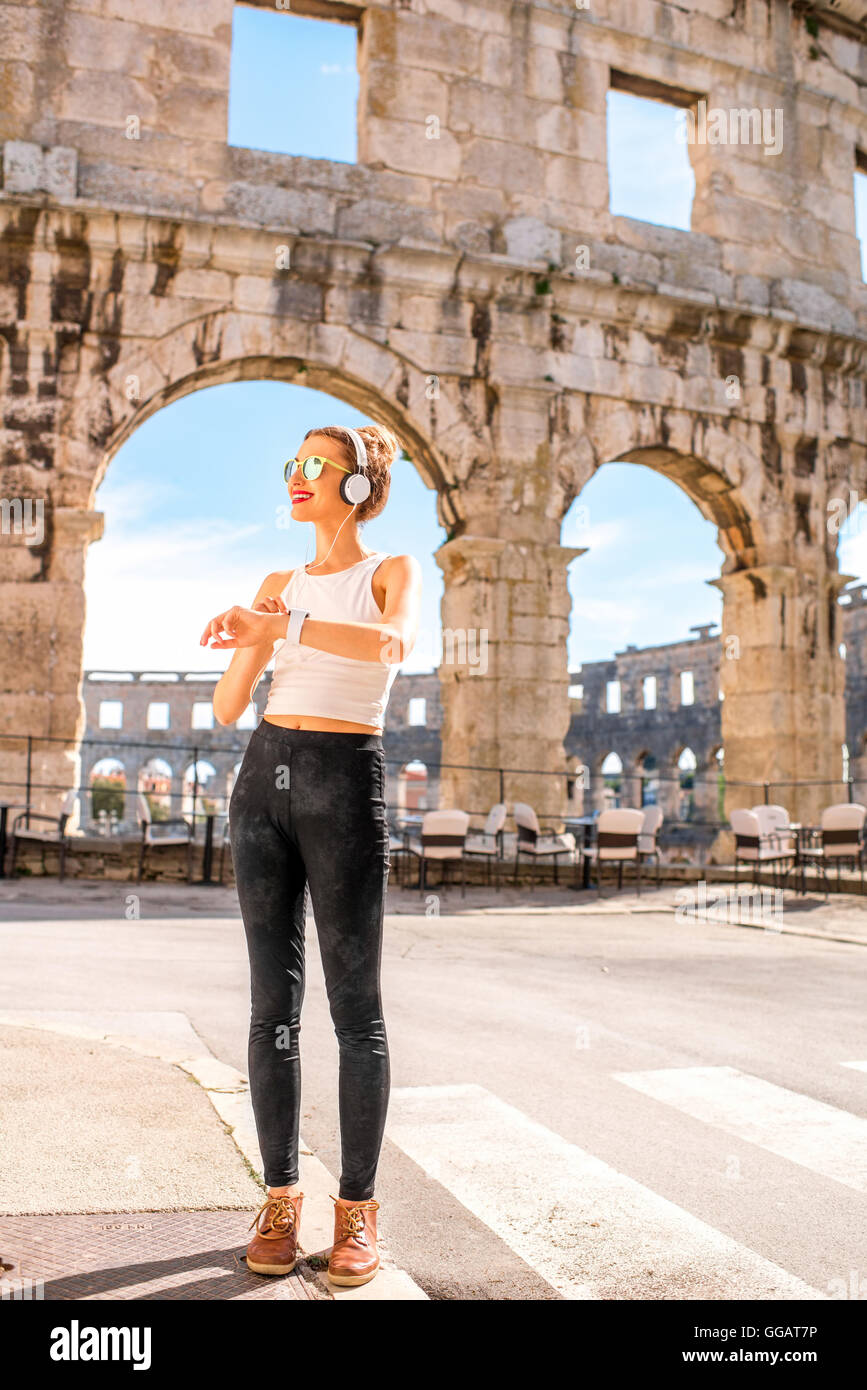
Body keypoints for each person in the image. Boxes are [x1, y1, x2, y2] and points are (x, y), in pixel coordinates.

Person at [200, 422, 422, 1287]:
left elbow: (389, 646)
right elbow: (226, 708)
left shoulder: (389, 573)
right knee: (271, 1008)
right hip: (263, 781)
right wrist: (246, 640)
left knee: (356, 1011)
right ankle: (281, 1201)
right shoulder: (274, 582)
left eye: (312, 466)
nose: (293, 476)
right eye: (289, 464)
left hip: (343, 780)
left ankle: (358, 1216)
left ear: (358, 486)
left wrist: (285, 619)